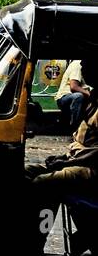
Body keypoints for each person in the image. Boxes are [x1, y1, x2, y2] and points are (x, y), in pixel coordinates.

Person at [27, 58, 98, 202]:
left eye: (87, 63)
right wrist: (63, 157)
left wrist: (67, 163)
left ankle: (42, 223)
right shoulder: (92, 99)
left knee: (40, 182)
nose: (82, 66)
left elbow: (93, 153)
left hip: (90, 168)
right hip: (75, 159)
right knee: (28, 171)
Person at [56, 59, 92, 132]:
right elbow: (73, 87)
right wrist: (89, 94)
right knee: (78, 96)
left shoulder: (88, 66)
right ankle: (75, 129)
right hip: (65, 97)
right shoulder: (77, 64)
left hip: (79, 96)